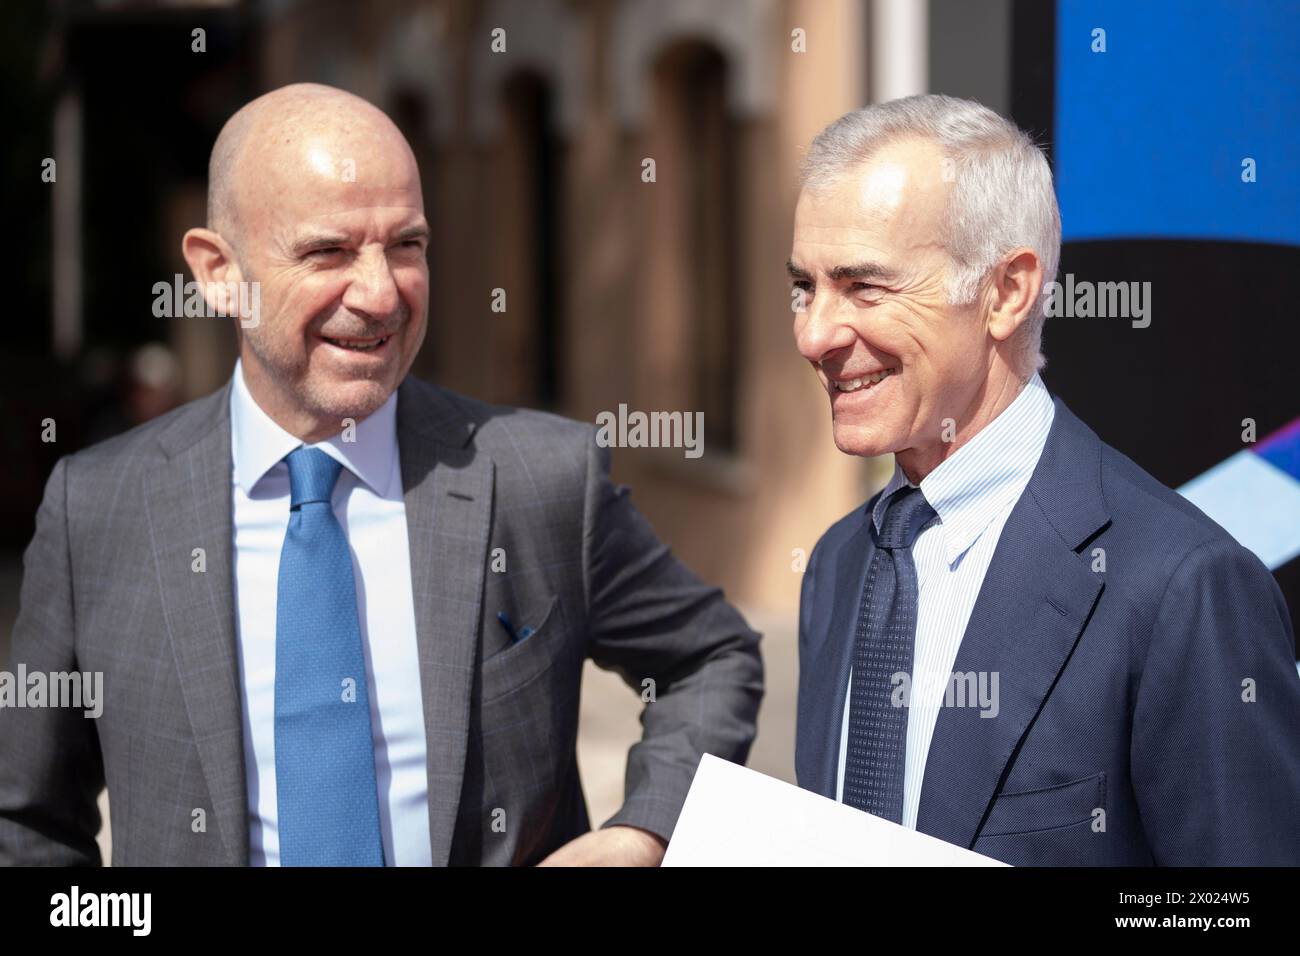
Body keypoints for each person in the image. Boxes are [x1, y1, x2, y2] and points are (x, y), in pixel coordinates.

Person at [0, 83, 763, 867]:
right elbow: (26, 823)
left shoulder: (539, 480)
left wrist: (641, 836)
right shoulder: (100, 510)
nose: (380, 293)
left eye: (407, 245)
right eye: (328, 252)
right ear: (218, 271)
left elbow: (709, 659)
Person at [790, 94, 1300, 865]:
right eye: (805, 287)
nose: (815, 333)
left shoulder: (1181, 587)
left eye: (865, 287)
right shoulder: (839, 563)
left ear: (1006, 292)